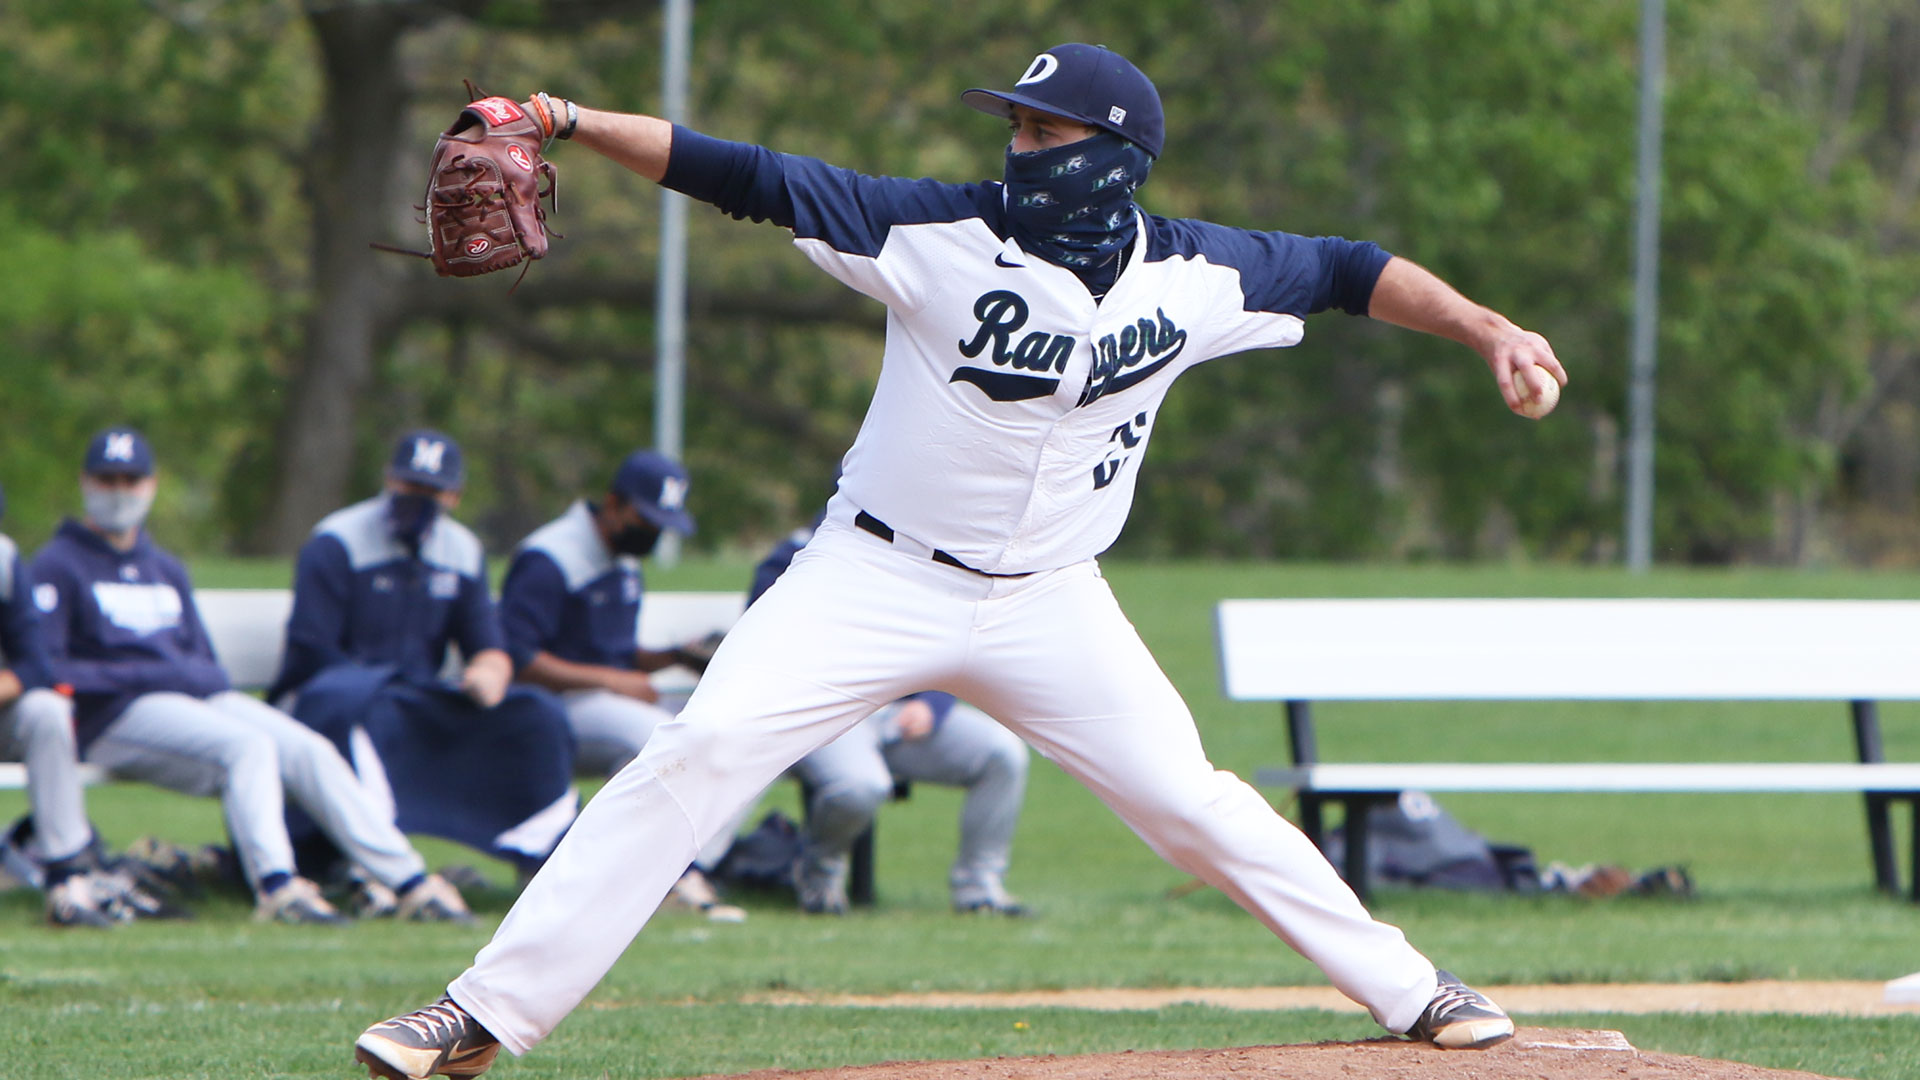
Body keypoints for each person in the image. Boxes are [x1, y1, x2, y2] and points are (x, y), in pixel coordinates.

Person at [356, 43, 1565, 1078]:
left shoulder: (1201, 270)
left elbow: (1354, 268)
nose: (1020, 147)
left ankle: (1417, 991)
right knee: (701, 751)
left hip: (1052, 602)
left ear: (1111, 155)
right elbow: (745, 173)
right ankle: (476, 1016)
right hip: (872, 578)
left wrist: (1492, 327)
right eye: (1019, 125)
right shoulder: (931, 231)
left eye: (1044, 129)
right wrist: (566, 119)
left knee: (1191, 805)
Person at [29, 428, 470, 925]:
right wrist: (154, 671)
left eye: (131, 479)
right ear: (86, 482)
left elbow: (207, 664)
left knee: (307, 749)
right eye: (107, 478)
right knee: (247, 747)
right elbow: (50, 666)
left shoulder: (163, 568)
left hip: (193, 701)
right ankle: (278, 888)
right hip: (113, 713)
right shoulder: (58, 564)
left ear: (151, 485)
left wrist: (175, 674)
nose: (119, 491)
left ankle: (410, 881)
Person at [272, 429, 579, 882]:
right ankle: (372, 867)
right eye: (409, 487)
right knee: (368, 711)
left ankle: (544, 857)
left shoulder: (461, 550)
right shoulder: (336, 542)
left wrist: (489, 670)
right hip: (340, 697)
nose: (418, 500)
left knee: (538, 714)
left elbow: (487, 643)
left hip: (418, 700)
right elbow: (312, 651)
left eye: (432, 491)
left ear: (454, 497)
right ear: (388, 481)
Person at [497, 449, 744, 922]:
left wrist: (675, 656)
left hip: (602, 702)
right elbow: (519, 659)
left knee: (730, 732)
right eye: (645, 519)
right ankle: (657, 878)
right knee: (663, 738)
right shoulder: (550, 556)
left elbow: (616, 650)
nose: (651, 532)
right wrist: (612, 679)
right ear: (613, 503)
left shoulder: (623, 557)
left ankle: (678, 869)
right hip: (548, 708)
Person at [749, 515, 1030, 917]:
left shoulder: (922, 555)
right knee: (862, 785)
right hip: (829, 713)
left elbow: (953, 643)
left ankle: (979, 889)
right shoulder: (797, 557)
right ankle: (817, 872)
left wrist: (931, 703)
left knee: (1001, 753)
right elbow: (768, 649)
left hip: (899, 713)